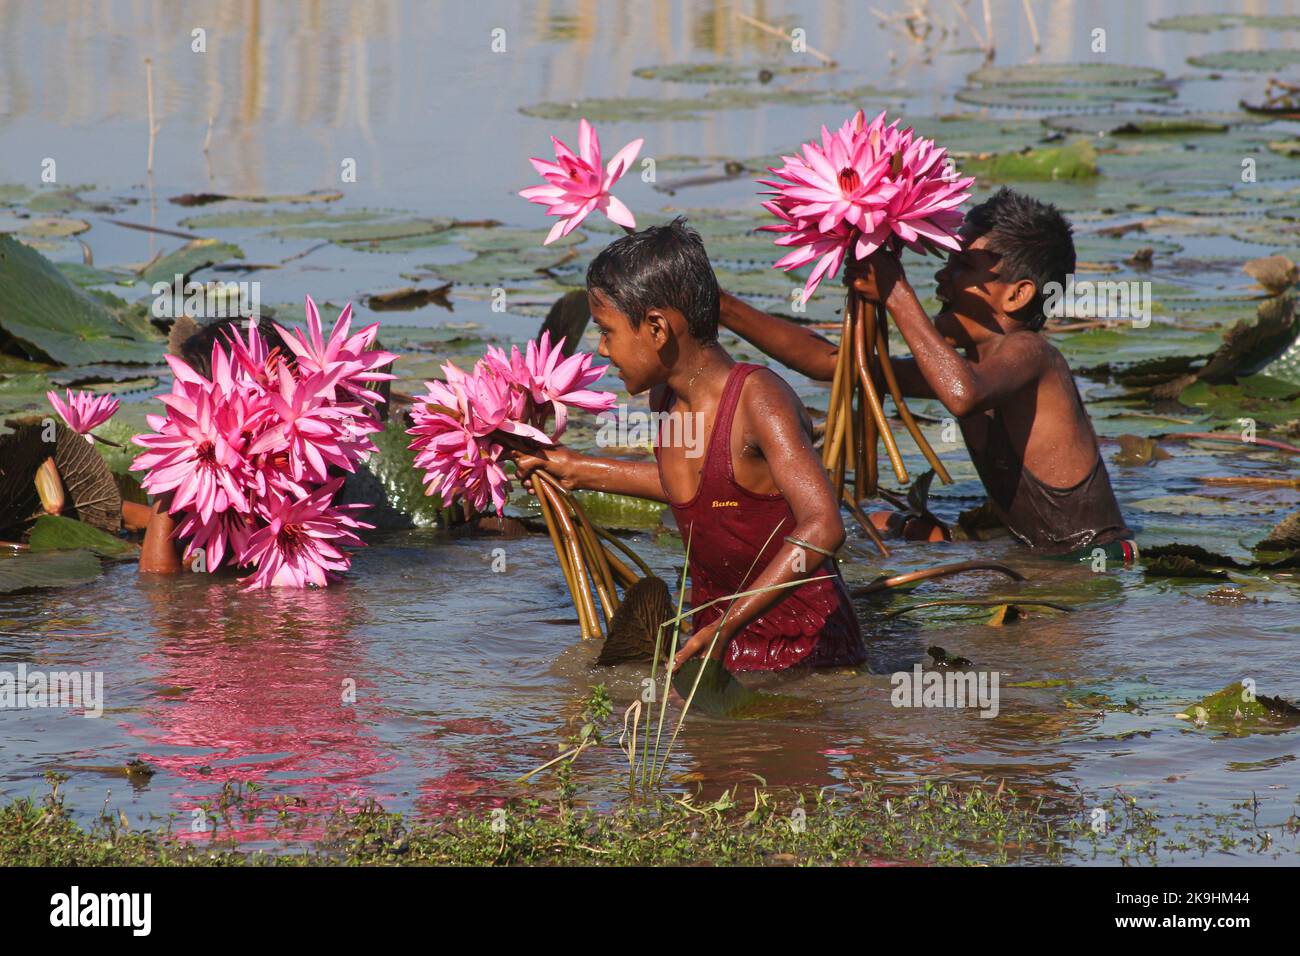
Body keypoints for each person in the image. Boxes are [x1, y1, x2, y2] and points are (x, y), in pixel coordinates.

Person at [512, 218, 865, 672]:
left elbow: (823, 528)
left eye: (607, 331)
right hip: (716, 649)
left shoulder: (760, 400)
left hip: (810, 660)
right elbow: (698, 485)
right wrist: (578, 469)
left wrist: (728, 623)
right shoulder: (668, 396)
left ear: (657, 328)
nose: (601, 349)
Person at [718, 188, 1133, 559]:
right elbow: (832, 363)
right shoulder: (971, 366)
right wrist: (721, 306)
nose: (941, 276)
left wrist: (896, 291)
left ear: (1018, 294)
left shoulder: (1032, 354)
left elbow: (962, 395)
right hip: (1039, 557)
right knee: (880, 520)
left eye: (961, 265)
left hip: (1090, 563)